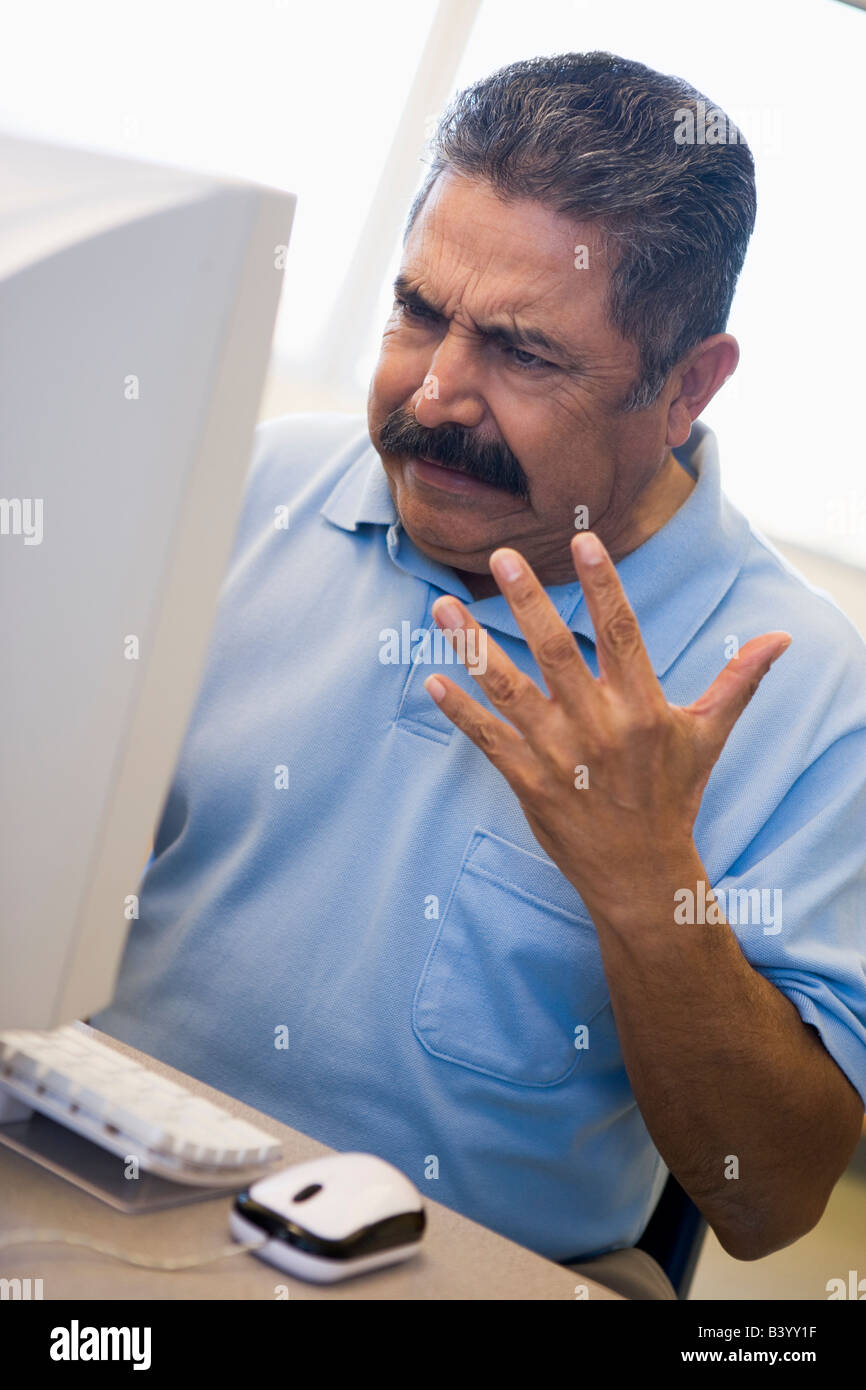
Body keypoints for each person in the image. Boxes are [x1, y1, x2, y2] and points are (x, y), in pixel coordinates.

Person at [92, 53, 866, 1284]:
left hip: (449, 1270)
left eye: (522, 352)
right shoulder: (261, 487)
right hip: (98, 1162)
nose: (435, 392)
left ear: (686, 389)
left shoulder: (803, 688)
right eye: (414, 311)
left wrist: (645, 883)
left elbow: (765, 1201)